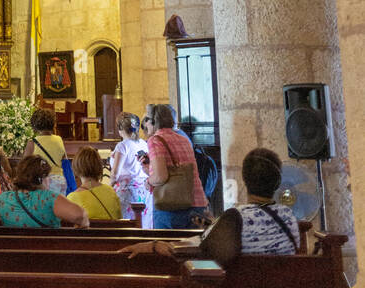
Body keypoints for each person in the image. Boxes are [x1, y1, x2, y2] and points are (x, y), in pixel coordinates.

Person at [123, 148, 298, 261]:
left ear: (244, 181)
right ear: (277, 184)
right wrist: (215, 224)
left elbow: (201, 251)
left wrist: (154, 246)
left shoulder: (237, 217)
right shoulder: (288, 216)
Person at [144, 103, 207, 229]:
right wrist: (148, 169)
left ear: (154, 122)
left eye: (147, 120)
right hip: (197, 202)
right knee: (191, 246)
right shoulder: (183, 139)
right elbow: (179, 168)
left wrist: (148, 181)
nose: (145, 124)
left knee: (166, 246)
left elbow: (161, 177)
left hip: (171, 206)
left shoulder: (155, 140)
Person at [0, 156, 88, 229]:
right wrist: (83, 223)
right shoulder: (48, 198)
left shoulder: (4, 198)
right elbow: (79, 215)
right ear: (42, 178)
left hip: (12, 250)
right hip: (47, 250)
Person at [109, 112, 150, 222]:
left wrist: (108, 188)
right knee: (142, 223)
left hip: (127, 192)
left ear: (120, 128)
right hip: (143, 190)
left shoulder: (122, 146)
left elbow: (114, 174)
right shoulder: (143, 143)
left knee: (127, 225)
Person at [67, 146, 122, 220]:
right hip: (115, 231)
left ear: (76, 167)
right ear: (99, 166)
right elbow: (119, 218)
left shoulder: (73, 198)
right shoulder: (110, 191)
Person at [25, 108, 68, 194]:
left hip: (42, 182)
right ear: (53, 123)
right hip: (59, 181)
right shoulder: (59, 139)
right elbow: (64, 159)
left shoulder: (32, 142)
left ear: (34, 125)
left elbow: (24, 165)